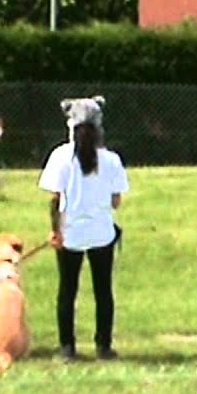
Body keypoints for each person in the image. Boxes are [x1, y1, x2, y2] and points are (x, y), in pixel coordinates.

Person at [38, 96, 130, 363]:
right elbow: (116, 201)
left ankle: (67, 348)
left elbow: (55, 200)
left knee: (68, 290)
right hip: (102, 233)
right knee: (104, 291)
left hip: (71, 235)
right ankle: (104, 346)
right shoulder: (111, 160)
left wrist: (55, 230)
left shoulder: (60, 157)